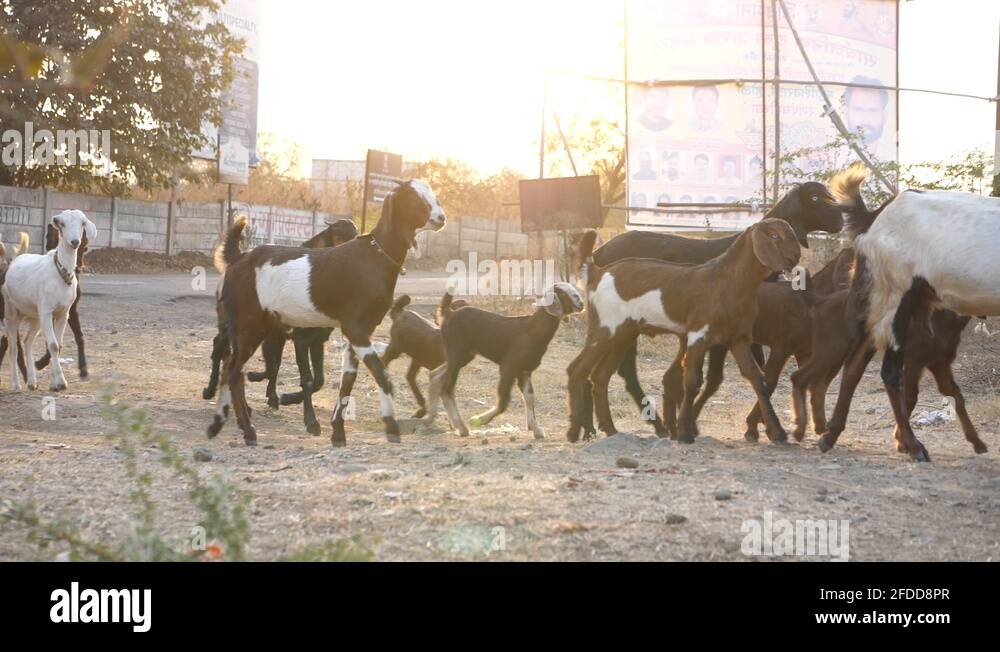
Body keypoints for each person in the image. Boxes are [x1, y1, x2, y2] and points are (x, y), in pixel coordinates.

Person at [844, 76, 889, 153]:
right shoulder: (831, 157)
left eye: (873, 111)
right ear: (847, 114)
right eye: (858, 110)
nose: (865, 119)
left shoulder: (892, 159)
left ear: (884, 116)